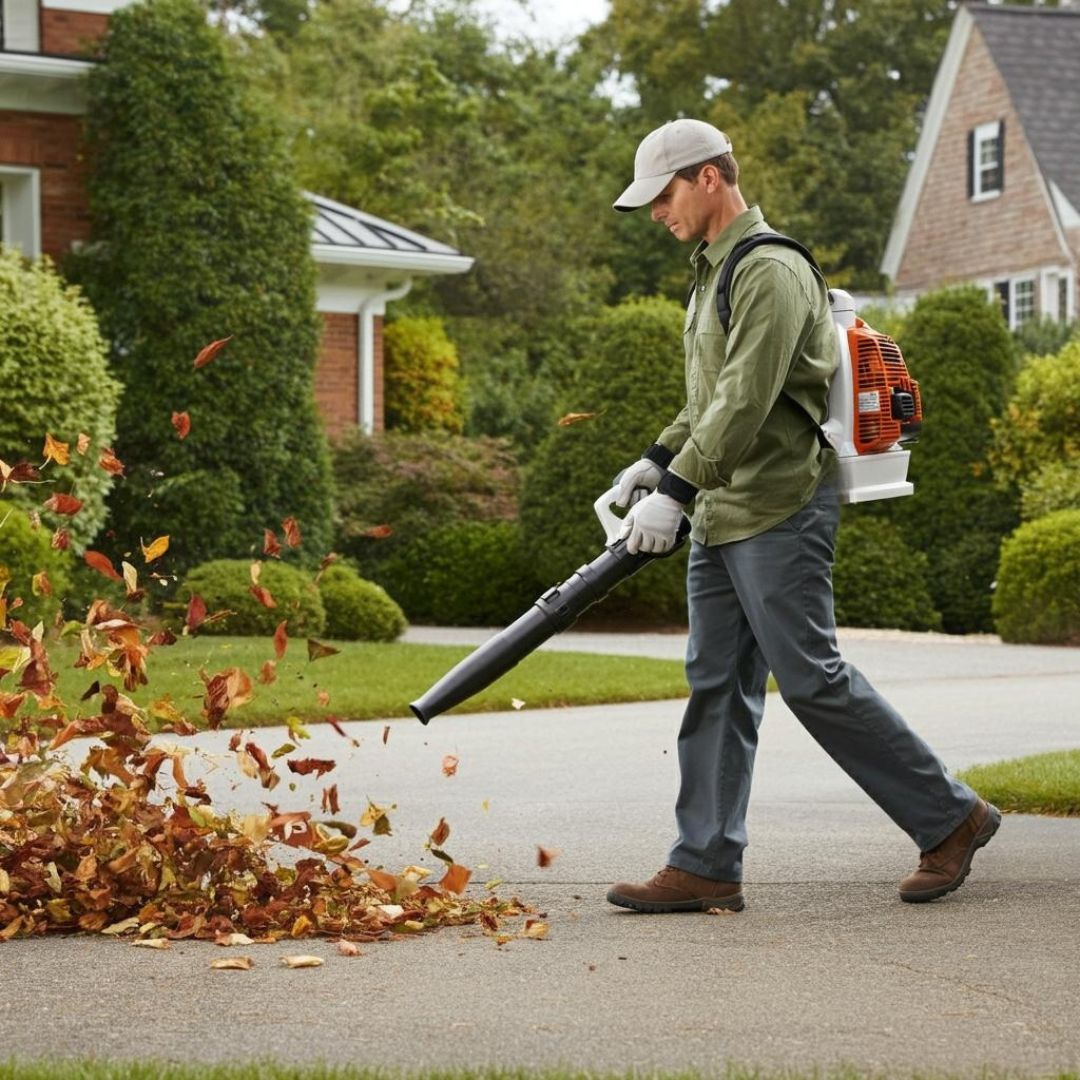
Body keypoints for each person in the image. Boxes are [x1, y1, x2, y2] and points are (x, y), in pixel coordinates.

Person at [605, 118, 999, 913]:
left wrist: (674, 493)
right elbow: (709, 400)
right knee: (716, 684)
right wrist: (658, 458)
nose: (656, 213)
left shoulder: (771, 270)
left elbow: (749, 397)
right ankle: (706, 862)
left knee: (812, 680)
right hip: (723, 508)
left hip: (779, 503)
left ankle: (951, 817)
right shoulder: (711, 271)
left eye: (665, 194)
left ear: (710, 177)